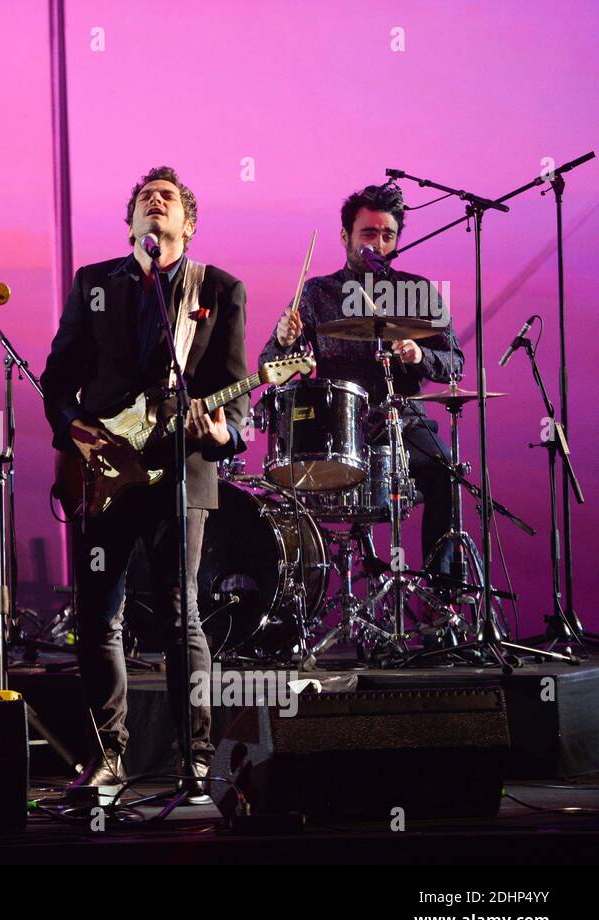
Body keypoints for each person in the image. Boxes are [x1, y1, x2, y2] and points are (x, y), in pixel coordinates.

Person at [41, 166, 249, 800]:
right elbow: (57, 381)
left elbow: (235, 397)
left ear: (187, 223)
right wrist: (76, 430)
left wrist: (223, 434)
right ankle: (109, 759)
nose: (155, 205)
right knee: (98, 616)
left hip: (180, 471)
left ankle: (196, 760)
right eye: (144, 199)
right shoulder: (94, 284)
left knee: (181, 613)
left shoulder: (219, 288)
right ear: (130, 222)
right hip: (106, 473)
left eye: (168, 200)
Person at [258, 183, 463, 582]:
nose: (379, 244)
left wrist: (421, 356)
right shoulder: (317, 293)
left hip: (405, 425)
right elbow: (270, 365)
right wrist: (284, 340)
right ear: (345, 237)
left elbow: (455, 363)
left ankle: (443, 593)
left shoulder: (417, 292)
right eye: (369, 234)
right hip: (338, 430)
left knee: (447, 472)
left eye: (388, 236)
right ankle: (296, 605)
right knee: (282, 488)